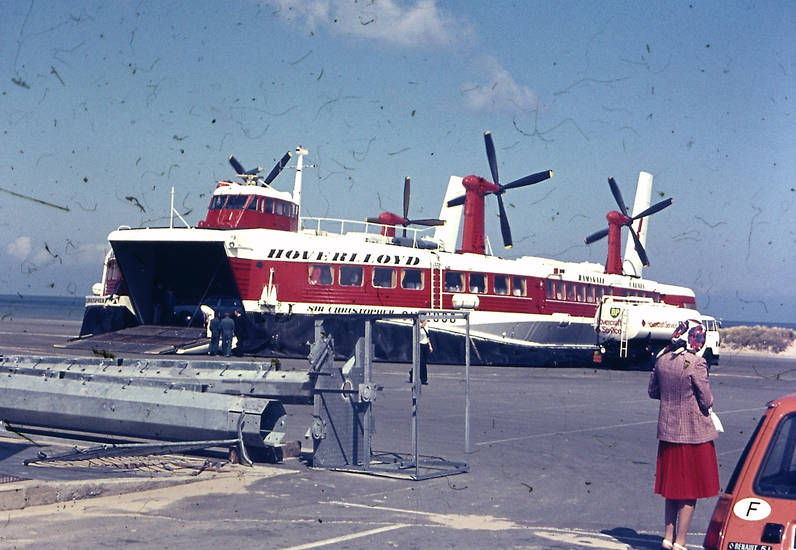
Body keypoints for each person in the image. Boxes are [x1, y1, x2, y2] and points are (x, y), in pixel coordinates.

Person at [648, 320, 719, 550]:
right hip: (692, 433)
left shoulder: (662, 360)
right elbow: (706, 400)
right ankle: (681, 541)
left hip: (669, 432)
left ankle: (668, 537)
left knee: (671, 489)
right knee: (689, 491)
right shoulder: (696, 363)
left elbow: (653, 391)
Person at [409, 319, 433, 385]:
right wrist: (421, 326)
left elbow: (427, 336)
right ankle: (423, 379)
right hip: (419, 344)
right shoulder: (417, 325)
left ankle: (412, 372)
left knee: (424, 362)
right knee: (421, 362)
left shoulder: (426, 325)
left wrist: (430, 345)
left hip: (425, 345)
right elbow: (416, 334)